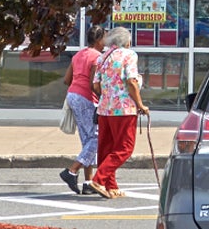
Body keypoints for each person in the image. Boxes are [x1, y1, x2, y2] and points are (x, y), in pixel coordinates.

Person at [91, 27, 149, 199]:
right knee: (125, 148)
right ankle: (99, 179)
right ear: (127, 41)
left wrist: (108, 95)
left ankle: (110, 185)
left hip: (104, 109)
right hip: (123, 108)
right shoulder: (129, 55)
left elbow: (96, 85)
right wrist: (140, 104)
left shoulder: (102, 56)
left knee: (107, 148)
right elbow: (131, 81)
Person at [59, 30, 103, 196]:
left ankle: (88, 182)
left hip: (73, 96)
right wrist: (103, 97)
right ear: (98, 39)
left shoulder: (78, 55)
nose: (105, 41)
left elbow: (66, 80)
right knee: (96, 138)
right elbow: (94, 84)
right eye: (104, 37)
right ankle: (71, 171)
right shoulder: (97, 57)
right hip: (86, 98)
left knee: (87, 139)